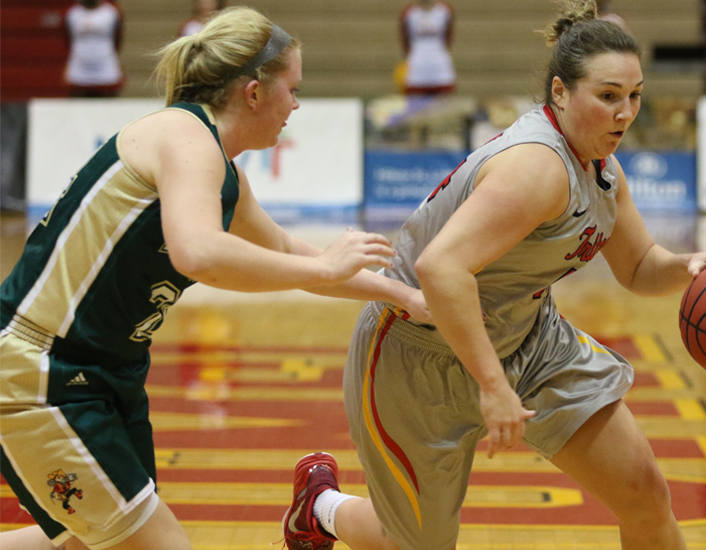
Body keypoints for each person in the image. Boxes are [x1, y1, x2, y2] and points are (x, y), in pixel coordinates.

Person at [281, 1, 706, 549]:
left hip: (528, 339)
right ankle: (321, 506)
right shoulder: (537, 168)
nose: (625, 113)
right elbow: (439, 268)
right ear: (559, 92)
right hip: (418, 357)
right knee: (414, 544)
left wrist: (691, 266)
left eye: (634, 96)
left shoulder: (602, 167)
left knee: (644, 494)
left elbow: (636, 267)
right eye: (608, 96)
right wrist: (492, 387)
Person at [0, 7, 430, 550]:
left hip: (105, 375)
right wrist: (322, 266)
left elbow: (286, 252)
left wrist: (401, 295)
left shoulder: (224, 172)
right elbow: (199, 252)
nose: (297, 104)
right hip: (44, 371)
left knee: (86, 541)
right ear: (253, 93)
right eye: (292, 88)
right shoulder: (184, 135)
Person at [62, 0, 125, 97]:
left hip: (105, 66)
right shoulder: (72, 13)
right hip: (79, 67)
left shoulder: (111, 12)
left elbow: (118, 38)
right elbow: (67, 39)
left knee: (108, 100)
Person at [398, 0, 456, 95]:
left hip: (440, 67)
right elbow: (405, 40)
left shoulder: (445, 11)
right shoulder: (409, 13)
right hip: (417, 68)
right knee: (416, 107)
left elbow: (449, 37)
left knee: (444, 106)